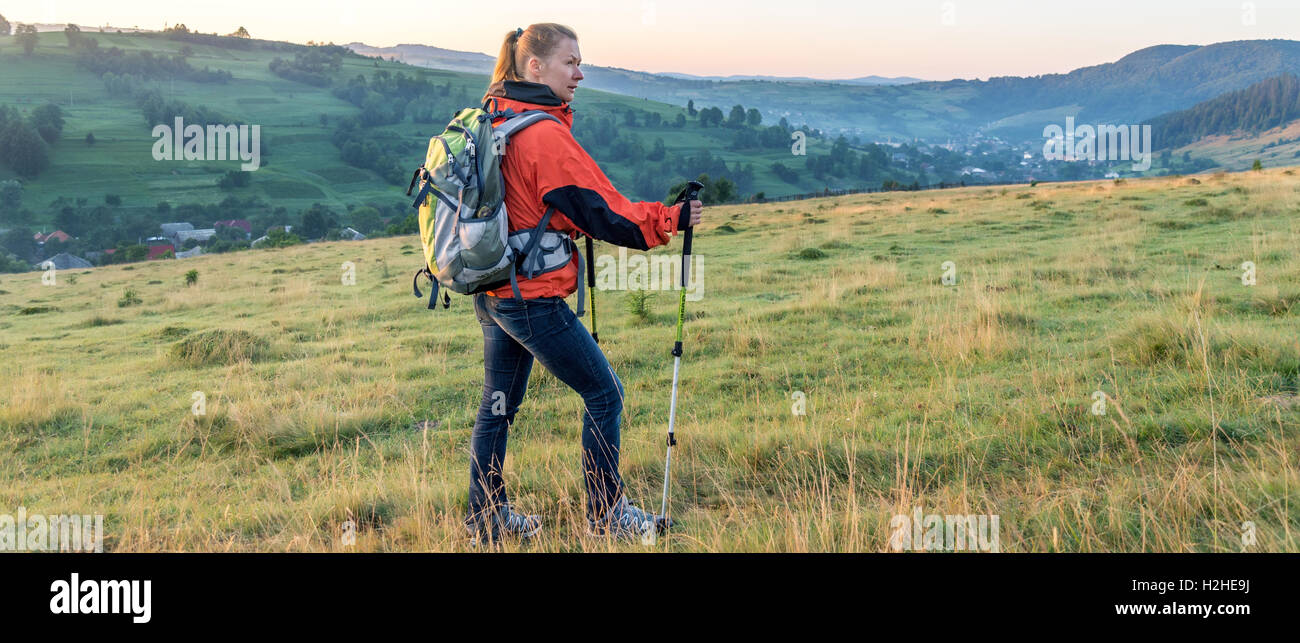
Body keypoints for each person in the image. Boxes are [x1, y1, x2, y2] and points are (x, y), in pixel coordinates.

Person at [465, 23, 704, 545]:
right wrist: (670, 218)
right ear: (535, 67)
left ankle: (483, 521)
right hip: (533, 297)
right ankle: (607, 514)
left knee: (498, 405)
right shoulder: (543, 131)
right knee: (605, 393)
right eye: (570, 62)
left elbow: (538, 204)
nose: (579, 73)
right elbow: (604, 211)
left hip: (494, 288)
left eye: (580, 61)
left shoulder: (496, 115)